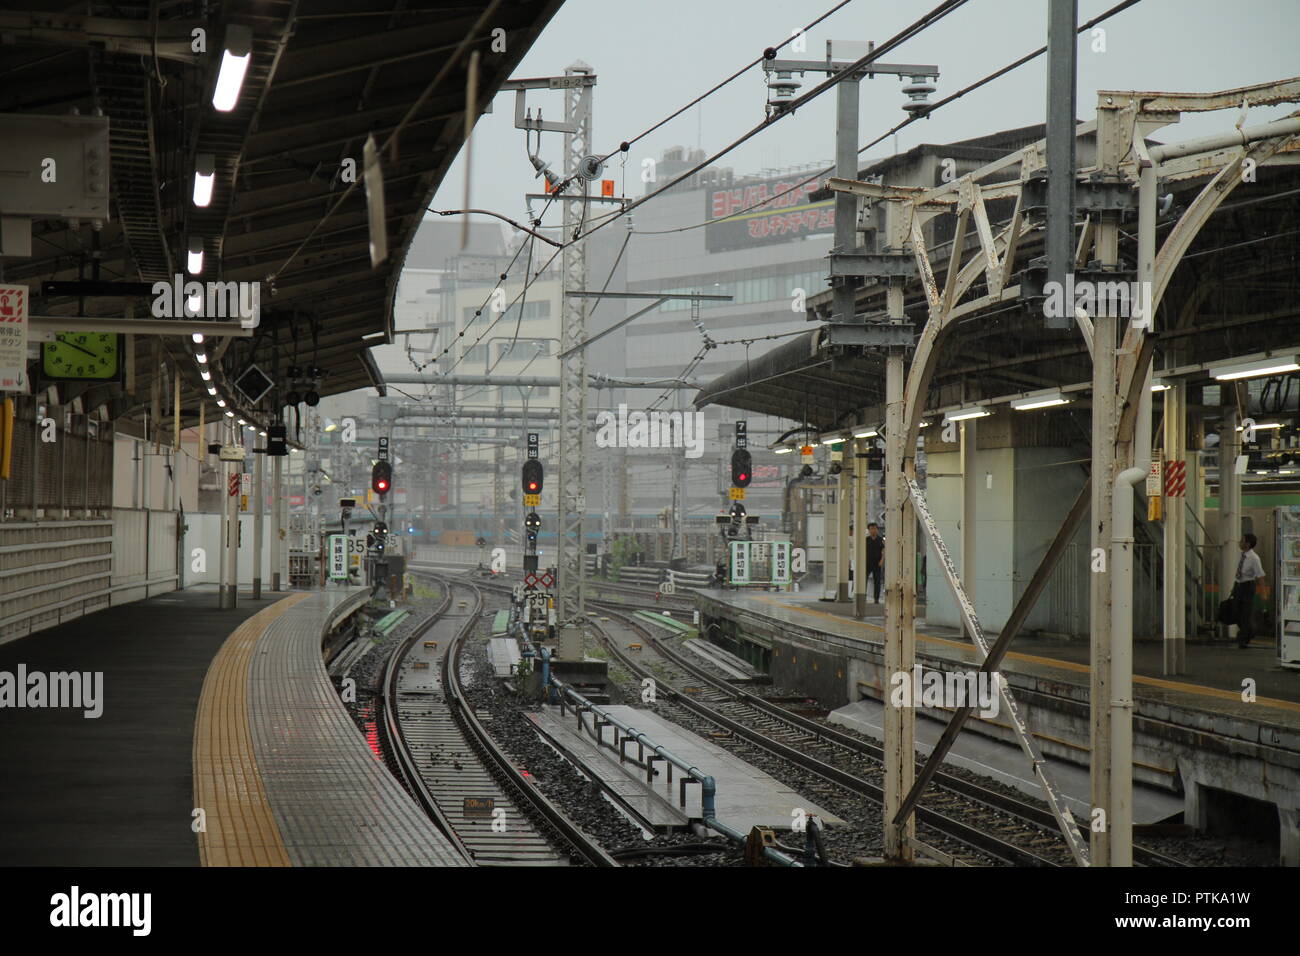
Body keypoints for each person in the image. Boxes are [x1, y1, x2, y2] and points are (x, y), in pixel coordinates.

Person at [1233, 533, 1265, 649]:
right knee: (1236, 610)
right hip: (1238, 585)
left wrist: (1263, 592)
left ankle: (1243, 638)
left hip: (1248, 586)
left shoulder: (1254, 558)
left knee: (1245, 613)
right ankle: (1249, 631)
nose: (1239, 542)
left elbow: (1260, 575)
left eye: (1242, 540)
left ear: (1247, 544)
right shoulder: (1241, 555)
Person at [866, 522, 885, 603]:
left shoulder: (881, 540)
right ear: (869, 530)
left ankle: (876, 599)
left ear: (877, 530)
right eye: (871, 529)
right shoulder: (866, 540)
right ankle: (862, 596)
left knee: (877, 581)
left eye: (875, 529)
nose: (873, 530)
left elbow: (884, 551)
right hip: (867, 563)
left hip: (877, 563)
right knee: (864, 580)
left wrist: (882, 561)